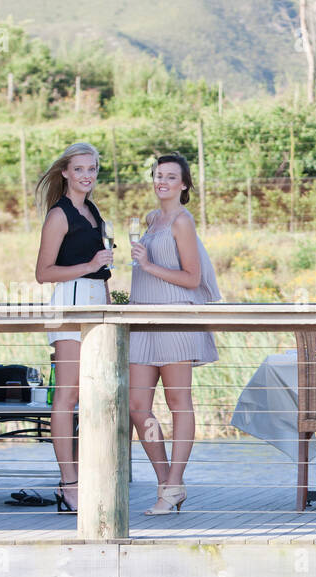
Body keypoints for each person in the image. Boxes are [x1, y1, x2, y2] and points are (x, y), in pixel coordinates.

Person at [128, 153, 220, 515]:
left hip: (175, 320)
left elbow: (192, 278)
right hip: (142, 320)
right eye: (157, 175)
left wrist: (149, 265)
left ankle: (172, 485)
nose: (161, 181)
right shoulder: (151, 220)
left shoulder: (183, 221)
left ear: (183, 185)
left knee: (178, 403)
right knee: (138, 407)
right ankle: (168, 481)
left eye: (170, 177)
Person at [33, 142, 112, 514]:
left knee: (98, 395)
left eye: (92, 169)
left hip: (98, 306)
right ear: (65, 172)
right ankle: (69, 483)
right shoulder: (59, 215)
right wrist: (90, 264)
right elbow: (43, 273)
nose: (86, 175)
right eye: (79, 169)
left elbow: (101, 268)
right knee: (67, 396)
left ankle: (92, 475)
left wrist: (112, 307)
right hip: (69, 304)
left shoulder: (92, 210)